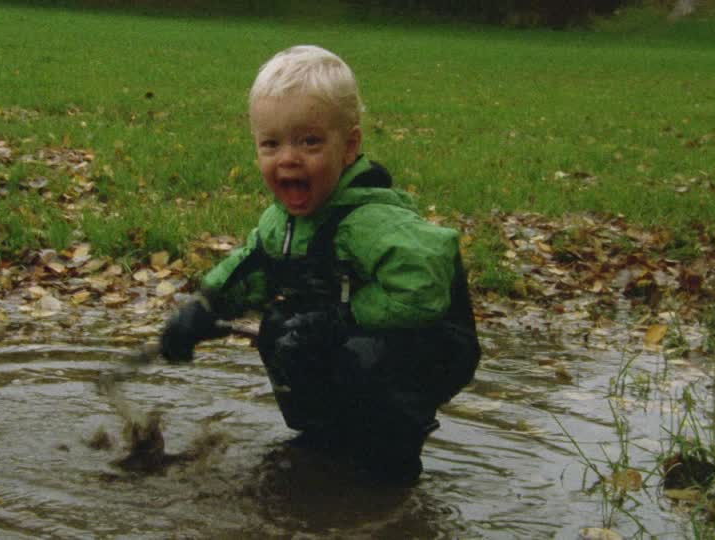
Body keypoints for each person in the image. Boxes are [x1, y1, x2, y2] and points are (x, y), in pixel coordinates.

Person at [159, 45, 480, 484]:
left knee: (359, 357)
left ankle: (389, 462)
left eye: (309, 141)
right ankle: (326, 436)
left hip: (430, 345)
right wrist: (204, 309)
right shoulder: (285, 221)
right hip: (358, 333)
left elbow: (423, 290)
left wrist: (340, 318)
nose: (288, 158)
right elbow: (254, 267)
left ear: (349, 147)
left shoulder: (371, 220)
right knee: (282, 329)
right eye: (271, 144)